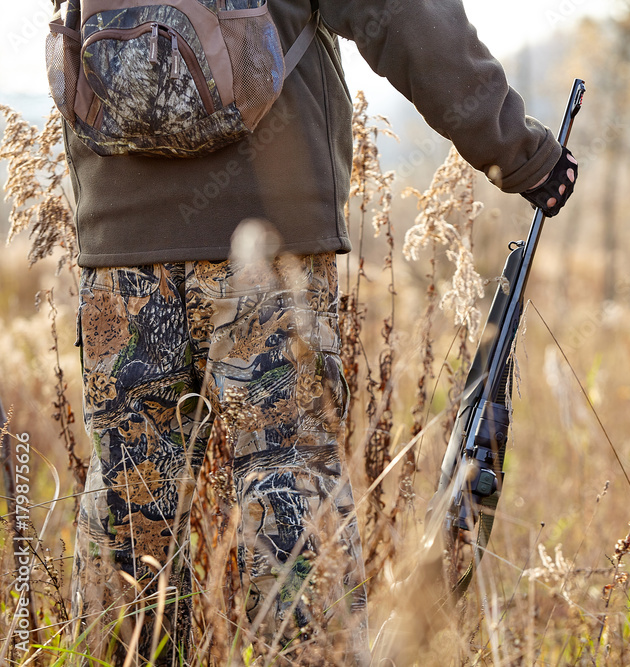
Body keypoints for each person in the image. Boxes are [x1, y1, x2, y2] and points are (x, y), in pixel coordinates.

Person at [64, 0, 577, 663]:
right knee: (291, 486)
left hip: (118, 242)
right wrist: (521, 153)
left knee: (129, 503)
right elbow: (398, 14)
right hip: (270, 238)